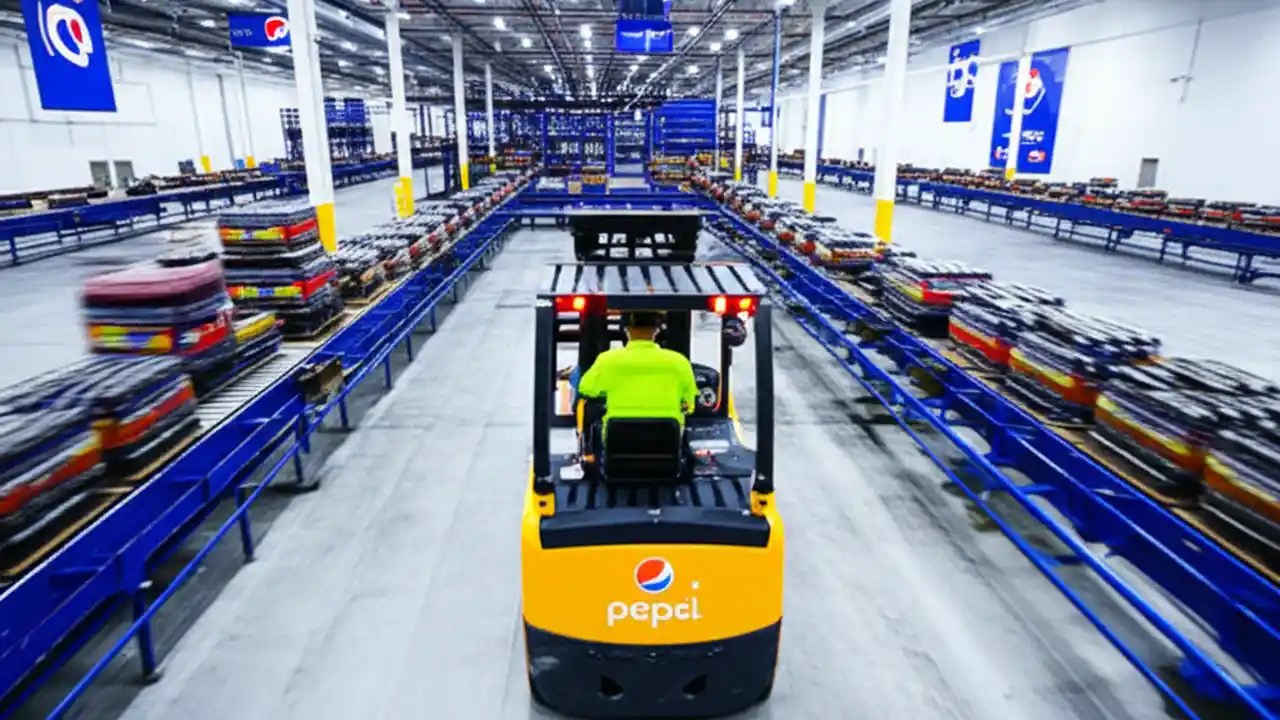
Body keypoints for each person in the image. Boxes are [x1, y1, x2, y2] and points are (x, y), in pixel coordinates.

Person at [577, 311, 698, 432]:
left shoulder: (607, 361)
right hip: (666, 440)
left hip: (619, 439)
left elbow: (585, 388)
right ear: (657, 330)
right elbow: (689, 405)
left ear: (626, 330)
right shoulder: (679, 362)